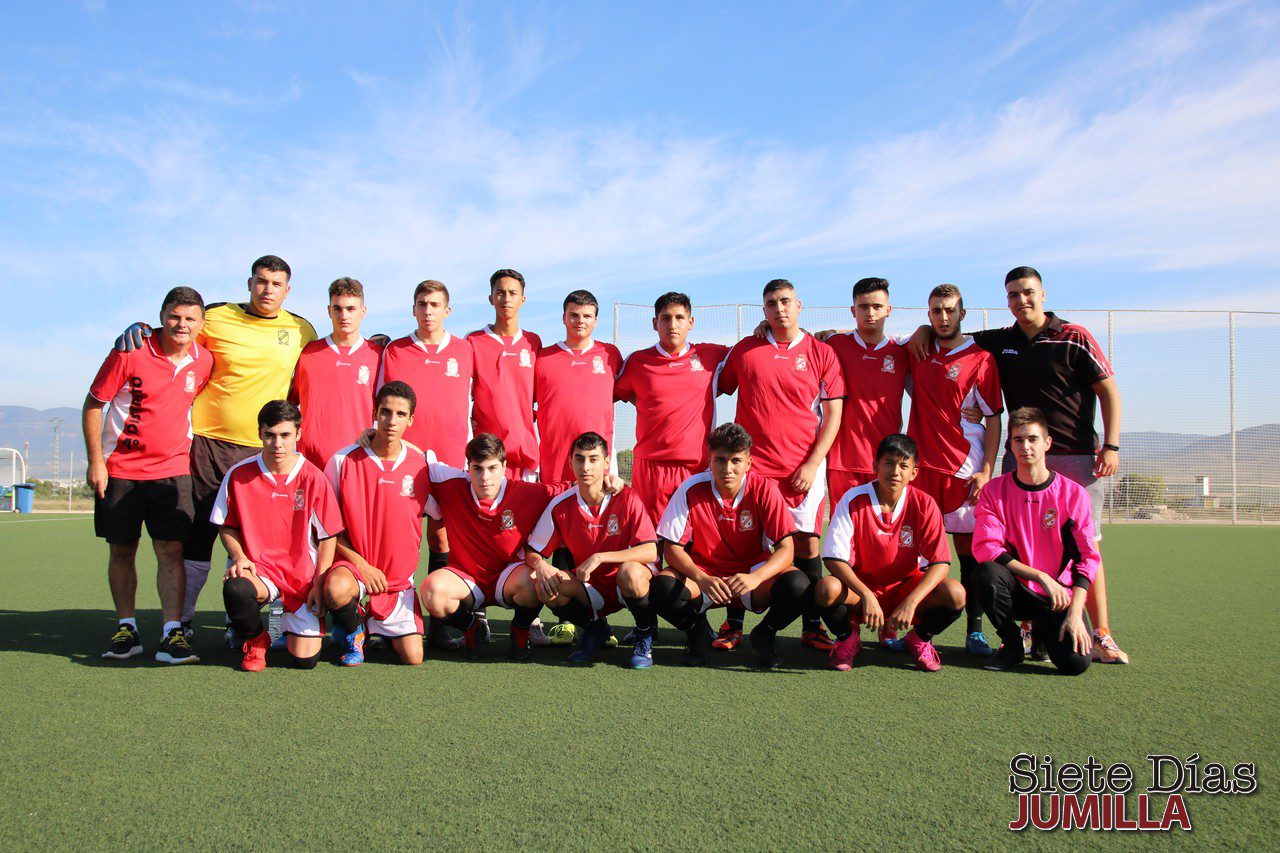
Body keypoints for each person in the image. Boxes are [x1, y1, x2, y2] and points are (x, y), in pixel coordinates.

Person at [909, 266, 1128, 663]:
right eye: (1013, 295)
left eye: (1027, 292)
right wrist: (921, 331)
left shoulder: (1074, 336)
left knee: (1087, 545)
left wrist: (1110, 446)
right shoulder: (1001, 340)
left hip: (1075, 454)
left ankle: (1102, 634)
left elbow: (1108, 390)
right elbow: (952, 335)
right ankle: (1029, 630)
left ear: (1042, 294)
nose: (1021, 300)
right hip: (1021, 449)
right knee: (1021, 542)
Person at [116, 255, 318, 641]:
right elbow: (178, 333)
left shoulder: (300, 329)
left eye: (276, 284)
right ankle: (183, 621)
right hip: (208, 444)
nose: (268, 289)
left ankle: (239, 621)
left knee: (255, 540)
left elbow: (322, 360)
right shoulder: (216, 316)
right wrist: (143, 329)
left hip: (263, 451)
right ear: (249, 283)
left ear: (287, 290)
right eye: (261, 281)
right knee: (198, 533)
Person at [84, 286, 213, 663]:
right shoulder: (131, 351)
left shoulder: (203, 360)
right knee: (122, 549)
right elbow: (94, 404)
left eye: (190, 318)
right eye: (175, 316)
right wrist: (96, 461)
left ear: (201, 323)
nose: (182, 324)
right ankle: (127, 628)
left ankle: (172, 633)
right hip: (121, 471)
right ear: (161, 317)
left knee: (171, 550)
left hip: (173, 471)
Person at [716, 279, 844, 652]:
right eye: (771, 304)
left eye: (785, 301)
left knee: (806, 544)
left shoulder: (821, 352)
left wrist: (813, 463)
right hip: (753, 470)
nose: (779, 309)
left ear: (799, 305)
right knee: (744, 543)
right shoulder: (746, 349)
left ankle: (812, 627)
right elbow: (714, 384)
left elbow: (833, 414)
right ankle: (733, 624)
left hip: (801, 470)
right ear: (764, 310)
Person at [416, 434, 622, 661]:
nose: (485, 477)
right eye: (477, 469)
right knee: (431, 591)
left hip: (509, 576)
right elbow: (417, 458)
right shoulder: (450, 483)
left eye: (492, 468)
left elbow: (572, 487)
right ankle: (472, 628)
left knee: (537, 580)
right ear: (468, 467)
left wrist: (609, 480)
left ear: (504, 467)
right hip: (465, 577)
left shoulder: (527, 492)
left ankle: (520, 631)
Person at [651, 423, 812, 670]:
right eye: (720, 460)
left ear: (748, 463)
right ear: (709, 460)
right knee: (662, 587)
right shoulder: (691, 488)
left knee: (799, 585)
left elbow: (786, 549)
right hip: (705, 575)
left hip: (750, 574)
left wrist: (756, 577)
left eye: (736, 460)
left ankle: (765, 634)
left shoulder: (765, 489)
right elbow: (672, 549)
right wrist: (701, 578)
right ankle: (696, 632)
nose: (728, 469)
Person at [377, 279, 476, 649]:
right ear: (413, 309)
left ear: (447, 311)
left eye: (435, 305)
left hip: (449, 460)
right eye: (422, 304)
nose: (428, 311)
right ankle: (383, 620)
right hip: (405, 459)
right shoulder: (395, 351)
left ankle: (439, 626)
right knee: (393, 537)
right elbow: (379, 402)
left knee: (441, 536)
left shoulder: (465, 349)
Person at [906, 284, 1002, 656]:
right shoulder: (917, 348)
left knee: (969, 555)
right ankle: (913, 627)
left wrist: (987, 470)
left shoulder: (981, 358)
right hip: (921, 470)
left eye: (949, 310)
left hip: (964, 469)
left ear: (963, 313)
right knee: (916, 555)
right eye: (935, 311)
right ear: (927, 315)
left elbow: (993, 419)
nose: (943, 317)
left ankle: (975, 632)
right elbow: (873, 335)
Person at [213, 401, 343, 672]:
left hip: (301, 578)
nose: (277, 444)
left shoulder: (313, 477)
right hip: (260, 571)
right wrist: (239, 557)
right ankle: (256, 639)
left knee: (305, 661)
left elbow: (328, 535)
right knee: (236, 588)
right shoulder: (238, 475)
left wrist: (319, 583)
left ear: (298, 434)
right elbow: (226, 525)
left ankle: (288, 625)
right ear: (259, 433)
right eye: (270, 435)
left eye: (285, 435)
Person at [817, 434, 963, 672]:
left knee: (955, 593)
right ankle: (847, 639)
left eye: (904, 465)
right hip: (861, 589)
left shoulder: (924, 504)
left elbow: (941, 562)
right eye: (889, 463)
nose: (895, 471)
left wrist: (911, 601)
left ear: (913, 472)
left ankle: (919, 639)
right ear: (875, 466)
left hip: (904, 588)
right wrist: (866, 594)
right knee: (826, 589)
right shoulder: (853, 499)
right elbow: (833, 559)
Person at [970, 407, 1097, 675]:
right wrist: (1040, 576)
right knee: (985, 573)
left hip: (1059, 595)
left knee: (1075, 664)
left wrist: (1075, 612)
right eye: (1018, 440)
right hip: (1019, 591)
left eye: (1032, 439)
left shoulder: (1074, 495)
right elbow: (987, 548)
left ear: (1047, 443)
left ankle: (1042, 635)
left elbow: (1087, 558)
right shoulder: (994, 491)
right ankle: (1013, 644)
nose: (1025, 446)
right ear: (1010, 444)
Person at [822, 277, 912, 650]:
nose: (870, 313)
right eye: (863, 307)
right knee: (848, 546)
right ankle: (851, 625)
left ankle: (888, 620)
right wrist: (765, 325)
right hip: (843, 461)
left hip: (889, 466)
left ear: (888, 310)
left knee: (888, 547)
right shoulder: (834, 345)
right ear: (853, 310)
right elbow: (798, 337)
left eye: (877, 306)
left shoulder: (905, 350)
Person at [320, 382, 432, 667]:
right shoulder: (342, 460)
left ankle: (373, 625)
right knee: (336, 590)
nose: (391, 421)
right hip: (355, 569)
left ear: (411, 419)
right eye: (385, 412)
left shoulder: (423, 466)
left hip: (397, 581)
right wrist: (362, 565)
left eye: (400, 414)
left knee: (413, 657)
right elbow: (326, 526)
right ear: (375, 413)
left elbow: (440, 516)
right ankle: (353, 630)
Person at [525, 432, 659, 667]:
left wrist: (600, 557)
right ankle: (594, 629)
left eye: (593, 459)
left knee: (630, 573)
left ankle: (644, 633)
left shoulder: (627, 497)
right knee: (545, 587)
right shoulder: (561, 505)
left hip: (625, 582)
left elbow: (650, 551)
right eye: (579, 459)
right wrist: (541, 565)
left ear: (607, 463)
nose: (585, 467)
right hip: (589, 584)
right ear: (570, 462)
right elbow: (532, 550)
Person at [613, 292, 729, 526]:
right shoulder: (637, 361)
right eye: (665, 318)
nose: (672, 325)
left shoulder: (712, 355)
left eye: (679, 317)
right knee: (650, 539)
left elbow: (752, 352)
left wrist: (767, 326)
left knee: (695, 539)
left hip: (695, 466)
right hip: (650, 469)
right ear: (655, 323)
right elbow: (614, 393)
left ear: (690, 322)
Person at [290, 277, 382, 469]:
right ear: (329, 311)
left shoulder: (377, 356)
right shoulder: (308, 353)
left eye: (351, 309)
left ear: (363, 311)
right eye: (337, 308)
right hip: (311, 460)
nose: (343, 315)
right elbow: (291, 402)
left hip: (357, 457)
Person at [534, 290, 624, 482]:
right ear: (564, 318)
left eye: (587, 316)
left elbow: (626, 392)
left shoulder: (610, 354)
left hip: (597, 460)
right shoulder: (542, 358)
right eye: (574, 315)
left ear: (596, 321)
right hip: (555, 460)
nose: (580, 321)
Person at [467, 269, 543, 482]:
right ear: (491, 298)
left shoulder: (533, 342)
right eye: (500, 292)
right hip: (486, 455)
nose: (506, 298)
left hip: (524, 453)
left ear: (522, 299)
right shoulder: (473, 341)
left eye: (512, 293)